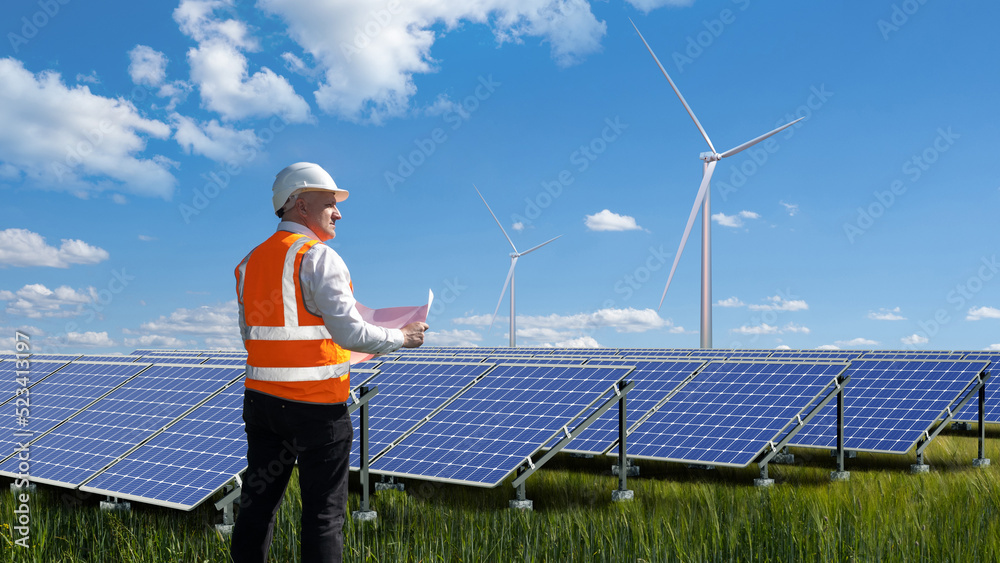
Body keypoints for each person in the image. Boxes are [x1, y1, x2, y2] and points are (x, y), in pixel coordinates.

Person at [230, 162, 428, 563]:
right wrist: (401, 338)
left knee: (257, 505)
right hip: (318, 410)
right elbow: (351, 335)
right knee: (323, 515)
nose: (338, 212)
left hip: (262, 404)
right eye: (329, 203)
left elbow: (256, 334)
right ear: (300, 206)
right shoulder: (319, 258)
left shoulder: (249, 262)